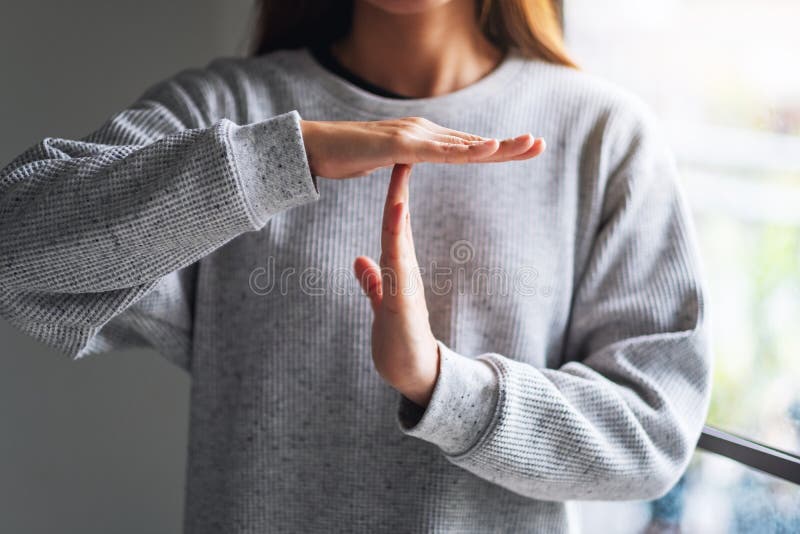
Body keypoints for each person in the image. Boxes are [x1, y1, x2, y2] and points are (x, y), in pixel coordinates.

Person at [0, 0, 712, 532]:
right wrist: (288, 156)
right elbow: (13, 251)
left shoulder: (602, 136)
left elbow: (653, 430)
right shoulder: (229, 108)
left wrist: (439, 385)